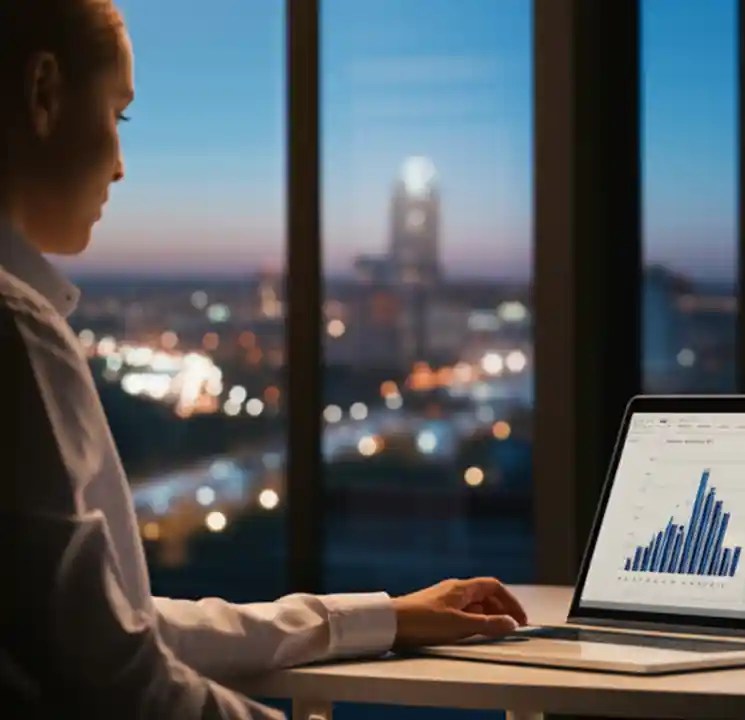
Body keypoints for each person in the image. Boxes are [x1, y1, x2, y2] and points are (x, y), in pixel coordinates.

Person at [0, 1, 528, 717]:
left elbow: (110, 633)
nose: (122, 166)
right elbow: (113, 681)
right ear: (43, 93)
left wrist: (384, 618)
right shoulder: (17, 329)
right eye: (118, 115)